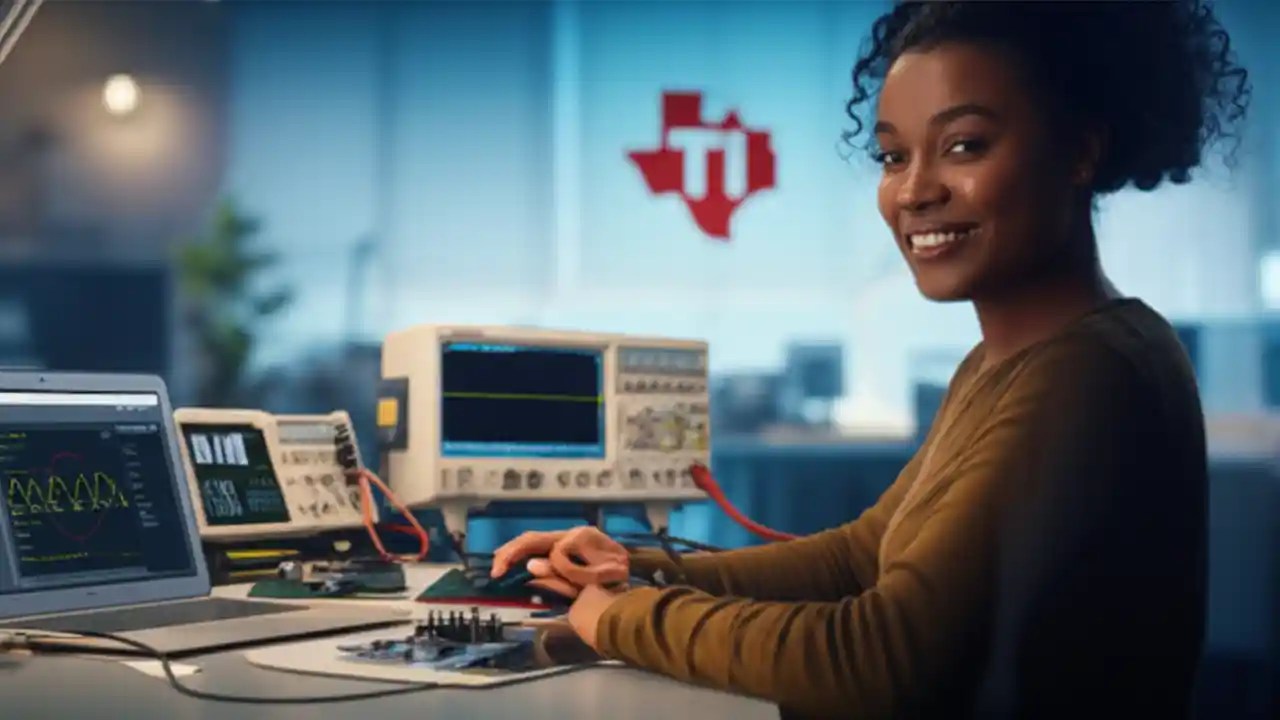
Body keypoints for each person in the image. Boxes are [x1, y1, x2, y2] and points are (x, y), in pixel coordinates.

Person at [491, 1, 1251, 717]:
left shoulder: (1091, 373)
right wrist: (638, 571)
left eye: (964, 146)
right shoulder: (1004, 362)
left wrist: (628, 617)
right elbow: (861, 557)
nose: (914, 190)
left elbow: (881, 658)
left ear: (1081, 149)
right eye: (893, 155)